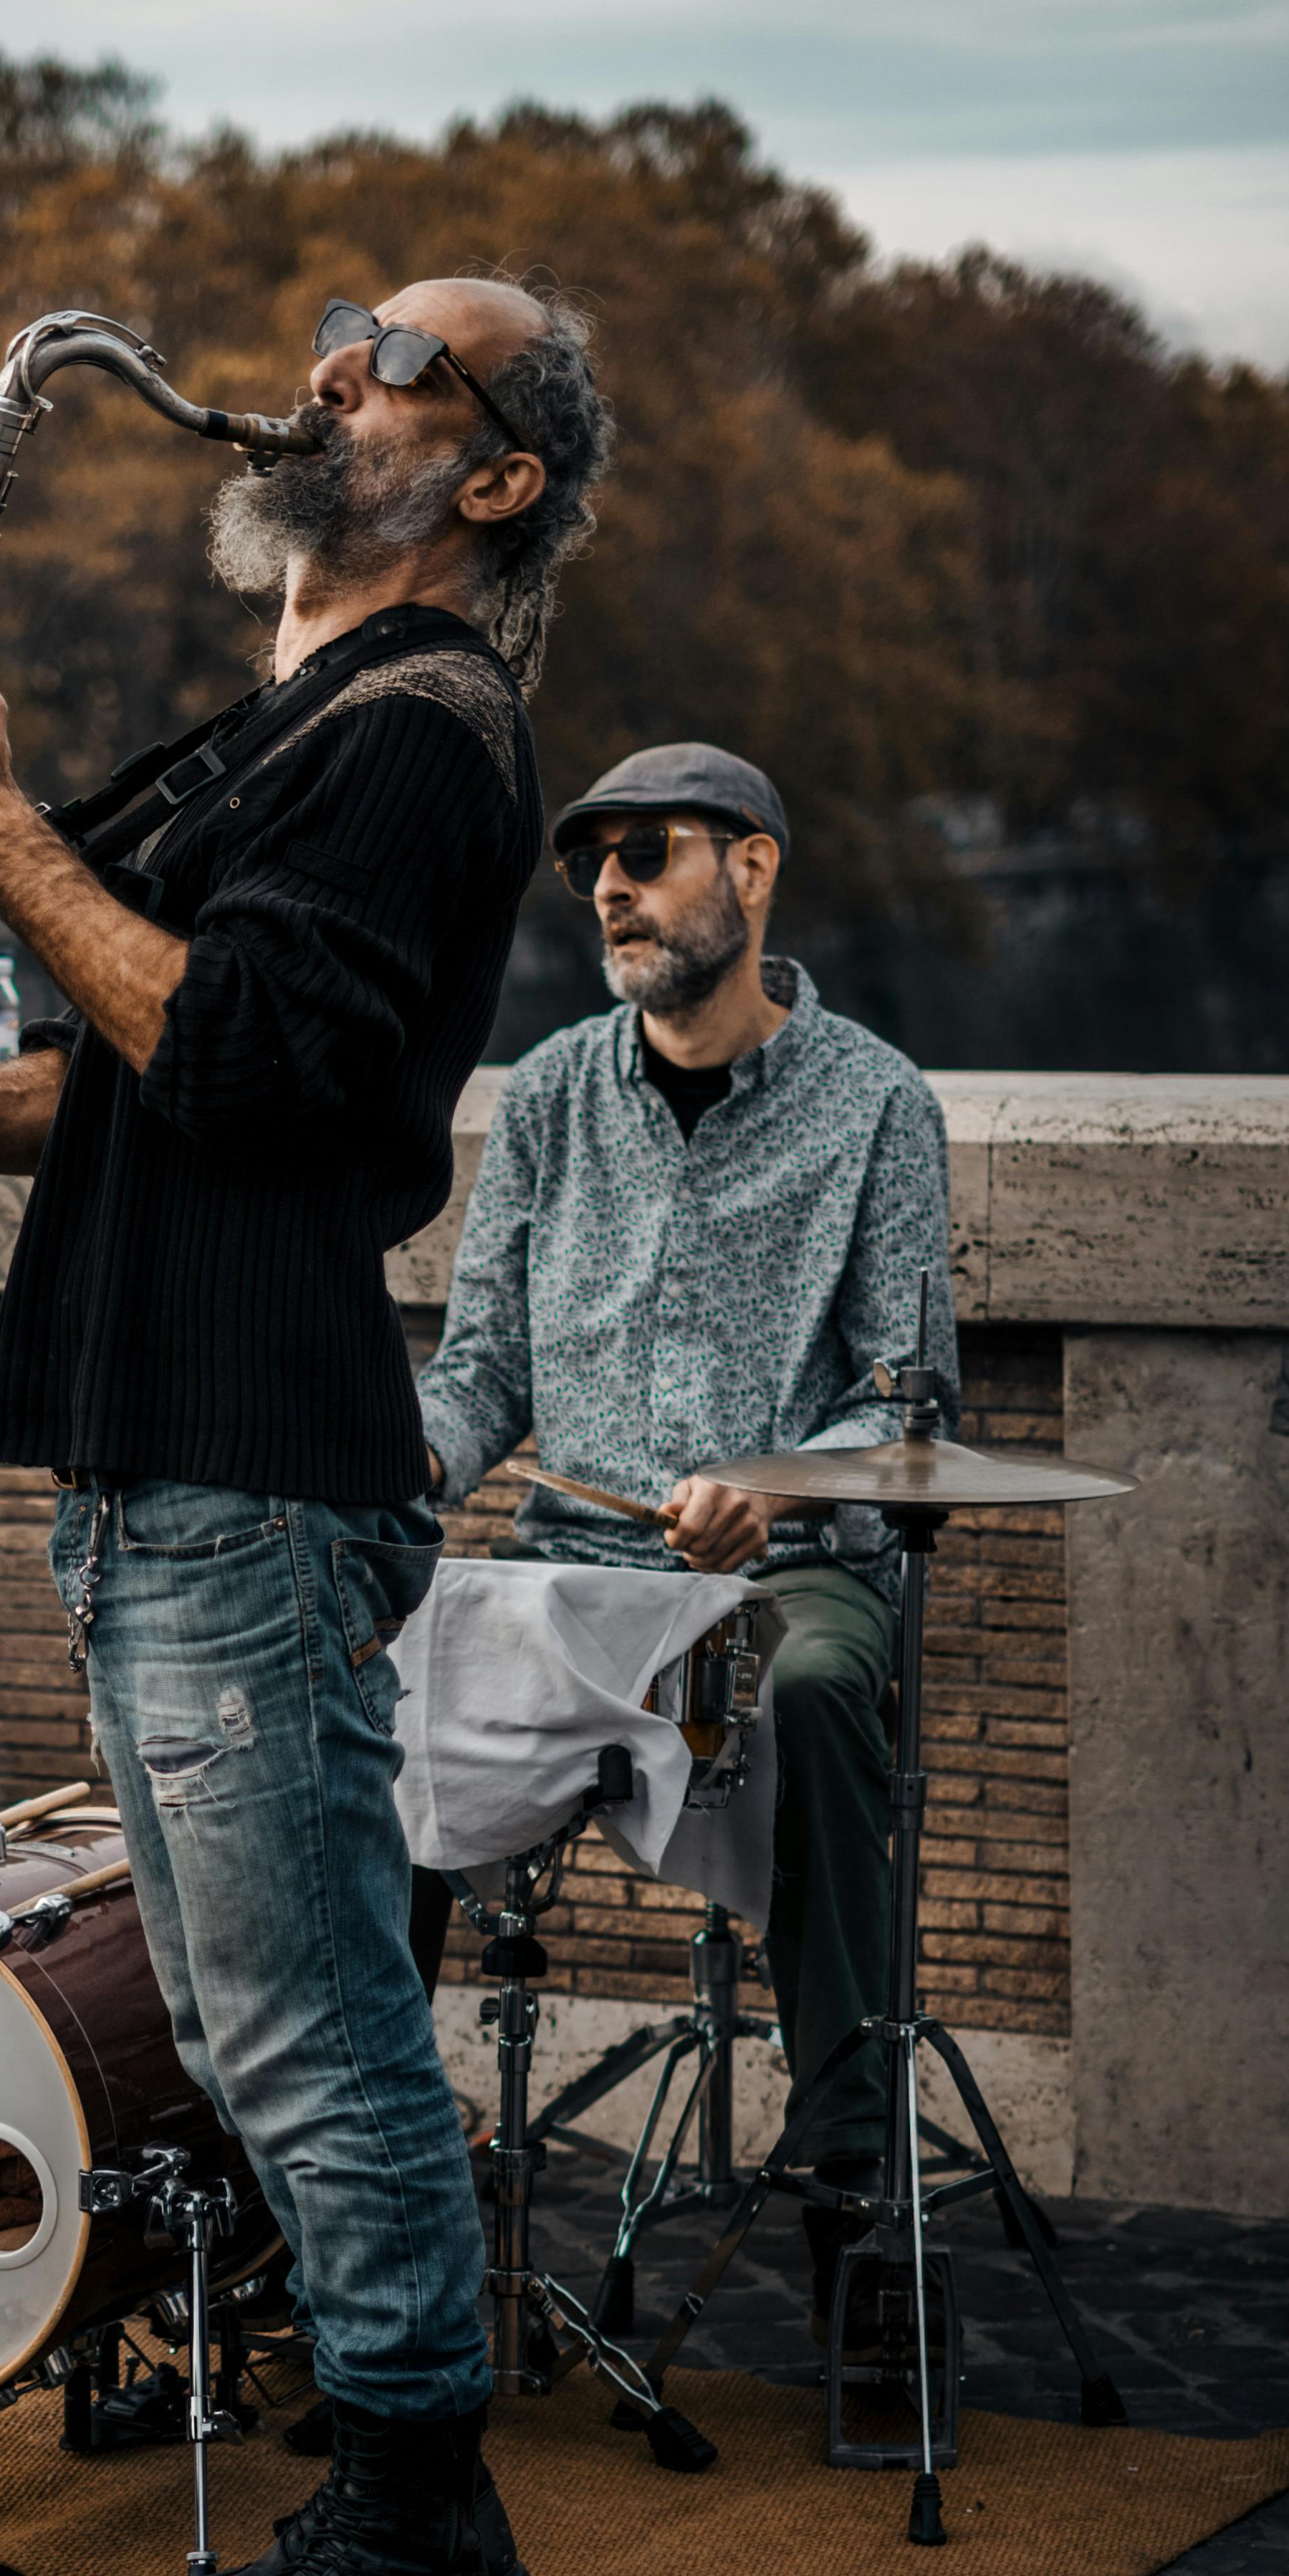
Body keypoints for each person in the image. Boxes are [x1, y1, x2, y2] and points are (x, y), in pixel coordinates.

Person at [0, 278, 616, 2576]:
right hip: (171, 1461)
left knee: (309, 2023)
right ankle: (372, 2496)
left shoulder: (425, 736)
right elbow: (124, 1060)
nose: (321, 362)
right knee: (248, 2028)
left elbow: (231, 1061)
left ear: (490, 482)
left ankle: (421, 2537)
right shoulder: (310, 721)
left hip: (245, 1474)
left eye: (393, 356)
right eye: (337, 330)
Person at [414, 744, 957, 2317]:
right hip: (563, 1561)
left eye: (647, 852)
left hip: (789, 1575)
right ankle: (357, 2168)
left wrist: (779, 1479)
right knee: (361, 1690)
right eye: (593, 863)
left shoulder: (876, 1103)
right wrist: (403, 1470)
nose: (610, 887)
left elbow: (908, 1405)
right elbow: (484, 1371)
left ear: (753, 866)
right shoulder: (546, 1098)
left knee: (809, 1694)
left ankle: (854, 2183)